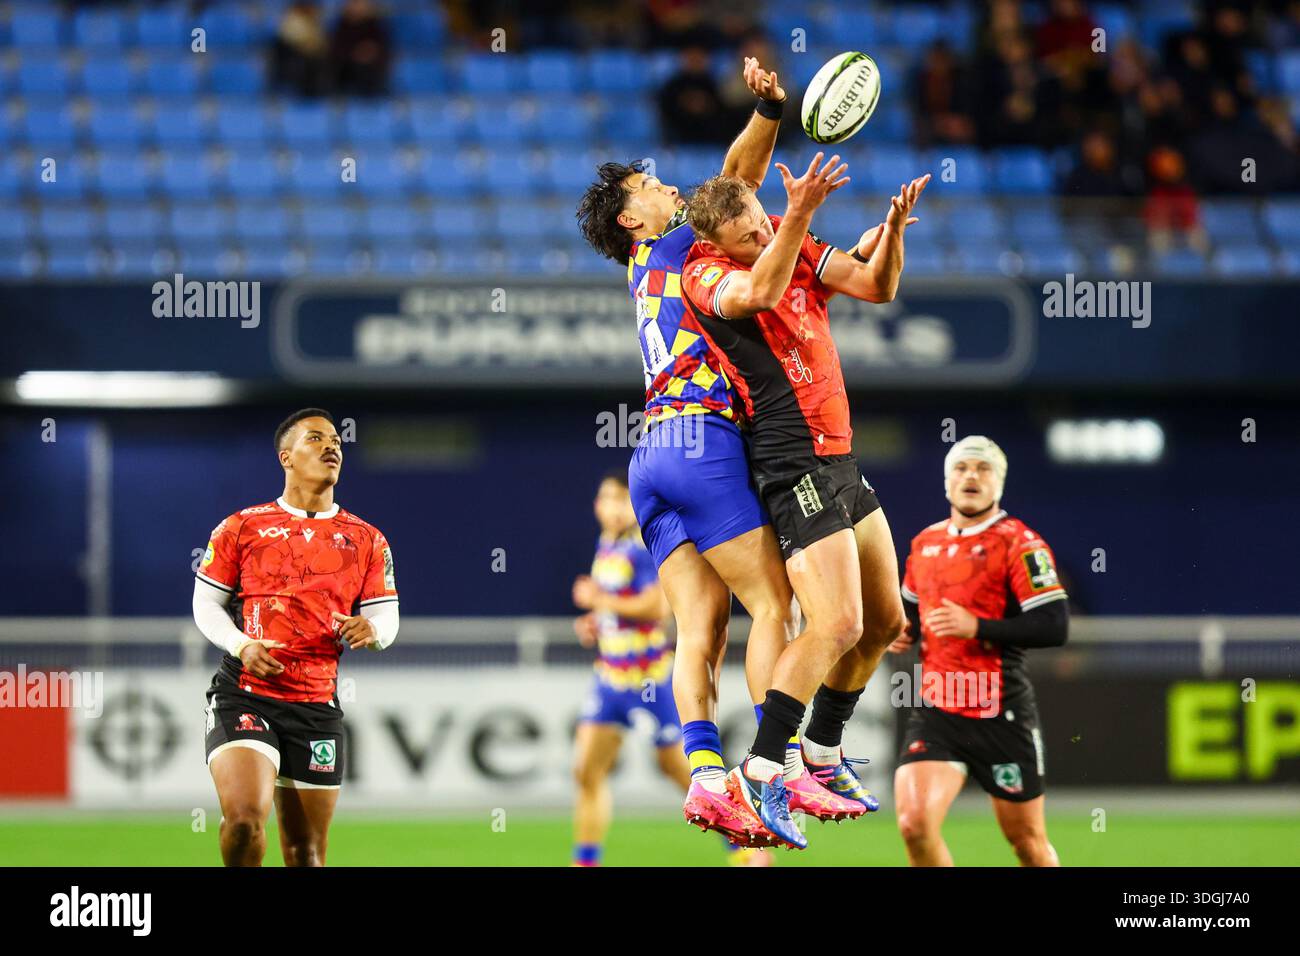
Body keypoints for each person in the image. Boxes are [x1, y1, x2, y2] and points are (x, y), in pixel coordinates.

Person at [577, 58, 865, 849]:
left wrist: (769, 109)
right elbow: (738, 180)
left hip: (650, 458)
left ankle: (705, 777)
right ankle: (779, 766)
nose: (664, 184)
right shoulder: (675, 246)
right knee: (778, 608)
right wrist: (770, 108)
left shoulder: (643, 269)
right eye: (647, 185)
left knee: (695, 634)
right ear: (635, 220)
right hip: (702, 437)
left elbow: (734, 181)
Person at [680, 158, 929, 848]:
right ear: (717, 243)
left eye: (764, 222)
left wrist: (894, 231)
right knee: (834, 622)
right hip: (794, 462)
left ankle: (821, 750)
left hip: (842, 458)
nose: (762, 235)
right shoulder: (705, 274)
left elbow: (877, 286)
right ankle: (761, 770)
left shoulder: (789, 240)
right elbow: (757, 293)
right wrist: (798, 216)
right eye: (748, 232)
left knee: (883, 619)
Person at [193, 408, 399, 866]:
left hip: (315, 708)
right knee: (245, 823)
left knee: (304, 853)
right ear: (286, 457)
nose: (332, 446)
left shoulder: (368, 539)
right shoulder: (240, 528)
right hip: (245, 694)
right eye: (316, 439)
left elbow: (388, 619)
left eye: (337, 443)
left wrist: (374, 630)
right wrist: (241, 644)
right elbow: (205, 604)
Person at [570, 471, 770, 866]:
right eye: (605, 498)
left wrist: (601, 601)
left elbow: (657, 608)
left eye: (619, 499)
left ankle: (748, 844)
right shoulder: (608, 544)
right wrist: (598, 621)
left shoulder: (642, 546)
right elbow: (622, 607)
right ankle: (586, 861)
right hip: (610, 679)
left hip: (648, 680)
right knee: (586, 772)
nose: (610, 507)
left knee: (683, 772)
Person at [890, 436, 1069, 866]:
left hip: (1000, 710)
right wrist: (901, 632)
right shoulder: (924, 544)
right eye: (962, 468)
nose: (971, 475)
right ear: (947, 482)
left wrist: (979, 627)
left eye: (983, 468)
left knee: (1026, 842)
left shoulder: (1020, 543)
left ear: (999, 484)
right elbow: (911, 615)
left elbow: (1054, 626)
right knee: (914, 824)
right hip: (937, 710)